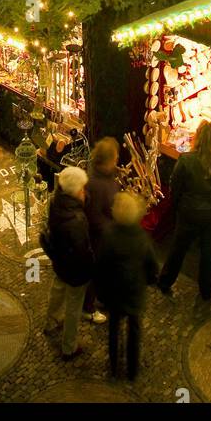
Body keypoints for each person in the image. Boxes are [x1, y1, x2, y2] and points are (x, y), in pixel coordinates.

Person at [158, 120, 211, 301]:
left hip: (189, 213)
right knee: (209, 254)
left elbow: (175, 187)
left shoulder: (186, 160)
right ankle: (206, 291)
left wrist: (177, 209)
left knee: (178, 249)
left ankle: (165, 281)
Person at [96, 190, 158, 381]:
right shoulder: (142, 238)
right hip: (134, 292)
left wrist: (101, 292)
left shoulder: (109, 236)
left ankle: (114, 367)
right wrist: (149, 281)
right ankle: (132, 370)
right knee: (134, 330)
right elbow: (151, 266)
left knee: (114, 329)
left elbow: (101, 266)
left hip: (115, 293)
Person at [42, 165, 95, 360]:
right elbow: (83, 251)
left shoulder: (56, 201)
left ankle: (51, 321)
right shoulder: (77, 221)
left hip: (60, 263)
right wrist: (91, 267)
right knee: (74, 307)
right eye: (82, 189)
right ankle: (69, 347)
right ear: (75, 193)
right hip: (75, 271)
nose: (85, 192)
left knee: (57, 291)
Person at [83, 136, 121, 324]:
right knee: (95, 271)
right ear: (106, 161)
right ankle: (88, 308)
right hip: (97, 238)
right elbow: (94, 216)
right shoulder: (97, 184)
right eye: (114, 159)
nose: (116, 162)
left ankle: (103, 298)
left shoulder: (104, 178)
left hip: (103, 236)